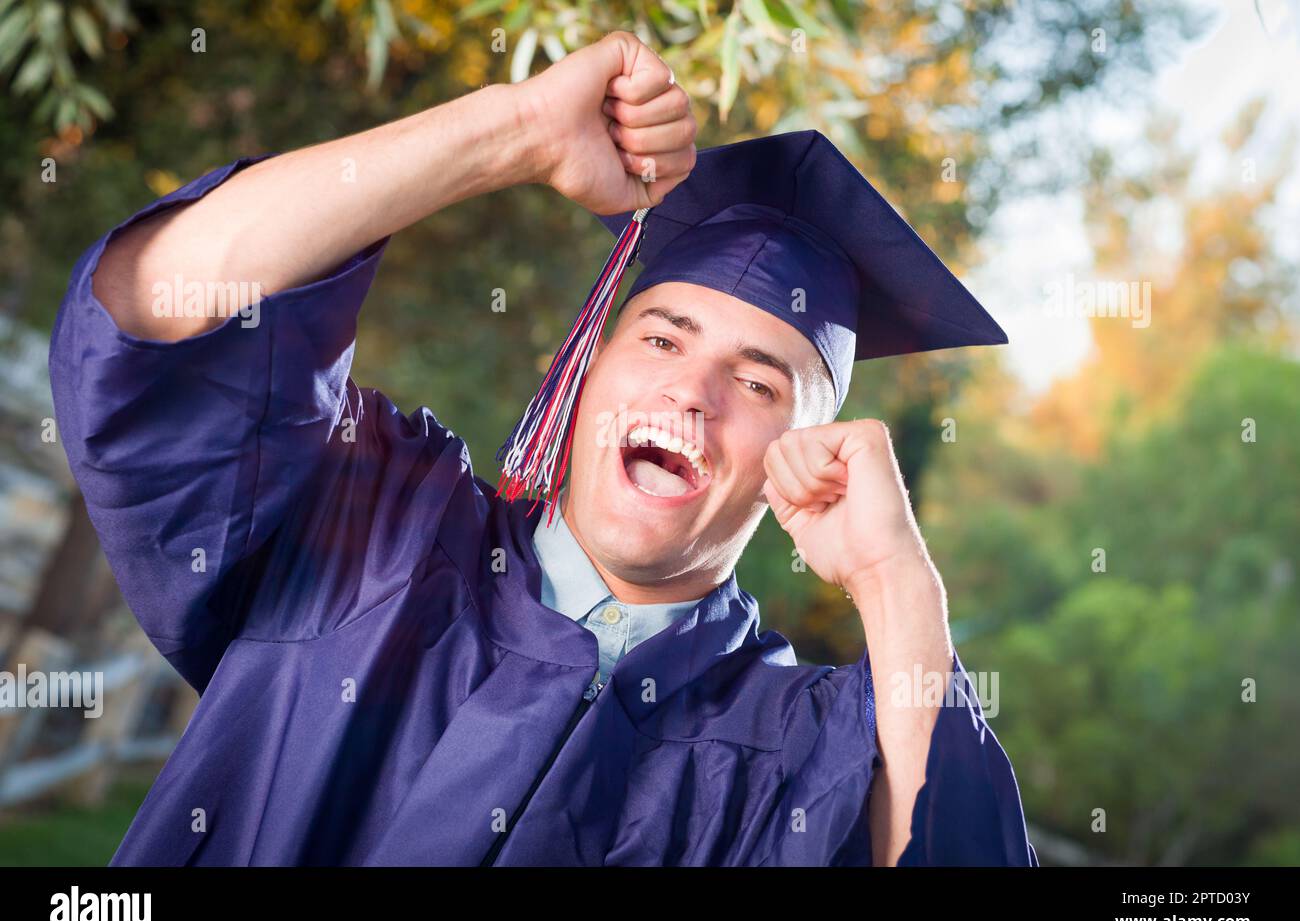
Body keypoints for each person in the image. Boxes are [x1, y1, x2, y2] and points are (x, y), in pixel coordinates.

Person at [49, 31, 1037, 866]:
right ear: (584, 368)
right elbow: (153, 311)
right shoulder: (375, 520)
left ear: (804, 451)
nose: (688, 392)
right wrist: (509, 130)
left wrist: (894, 578)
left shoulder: (794, 743)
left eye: (757, 380)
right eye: (660, 336)